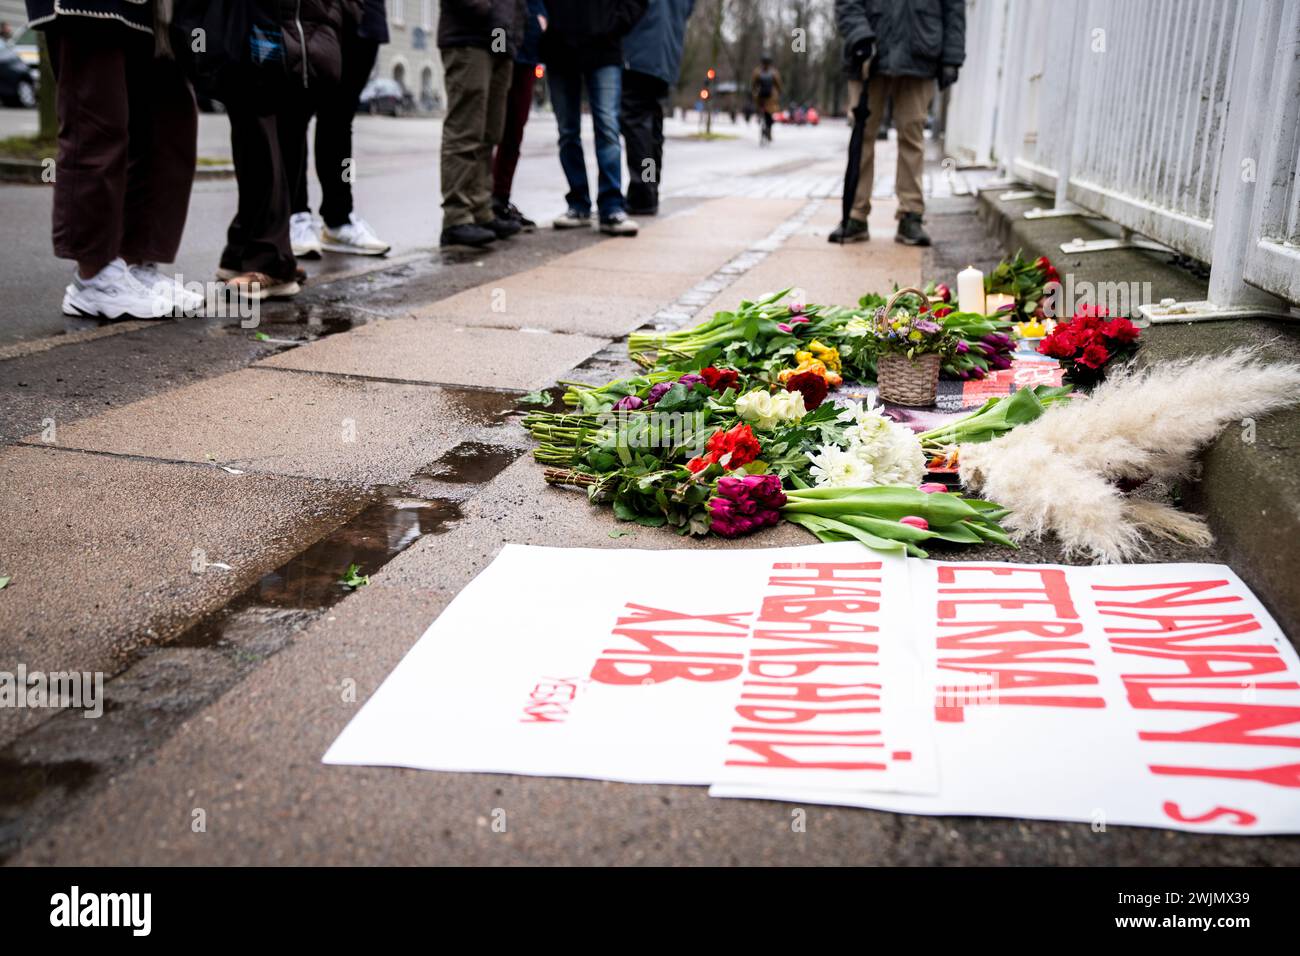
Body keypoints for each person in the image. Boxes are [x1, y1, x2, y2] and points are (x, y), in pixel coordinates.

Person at [26, 0, 201, 318]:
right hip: (89, 8)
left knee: (162, 127)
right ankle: (93, 278)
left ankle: (134, 263)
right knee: (95, 124)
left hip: (153, 12)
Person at [219, 1, 353, 298]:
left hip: (288, 30)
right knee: (253, 132)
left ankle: (272, 260)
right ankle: (246, 249)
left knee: (268, 135)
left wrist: (331, 16)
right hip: (270, 24)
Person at [829, 0, 965, 246]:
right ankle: (855, 215)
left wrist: (951, 55)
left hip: (921, 49)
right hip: (869, 51)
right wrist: (859, 34)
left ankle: (911, 214)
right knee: (862, 133)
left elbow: (954, 5)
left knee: (913, 133)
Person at [290, 0, 393, 258]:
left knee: (339, 120)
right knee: (296, 113)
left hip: (365, 18)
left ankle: (338, 220)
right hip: (317, 13)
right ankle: (295, 216)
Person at [541, 0, 647, 236]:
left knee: (607, 128)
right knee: (568, 132)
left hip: (604, 47)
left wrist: (615, 22)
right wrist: (543, 18)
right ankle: (578, 204)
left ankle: (611, 206)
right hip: (558, 46)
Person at [437, 0, 527, 248]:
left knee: (490, 132)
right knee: (466, 130)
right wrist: (485, 8)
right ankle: (457, 217)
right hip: (469, 35)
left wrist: (514, 31)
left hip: (501, 39)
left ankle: (480, 210)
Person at [619, 0, 695, 217]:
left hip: (641, 50)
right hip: (666, 55)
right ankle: (649, 188)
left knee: (638, 125)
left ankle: (643, 191)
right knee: (651, 127)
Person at [490, 0, 547, 231]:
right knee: (490, 127)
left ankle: (500, 199)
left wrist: (541, 19)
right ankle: (482, 202)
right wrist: (498, 49)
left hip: (528, 52)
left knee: (514, 131)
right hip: (503, 45)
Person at [751, 54, 781, 144]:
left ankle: (759, 117)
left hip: (760, 97)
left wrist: (754, 92)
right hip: (770, 98)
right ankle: (768, 131)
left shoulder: (757, 72)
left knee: (760, 110)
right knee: (770, 115)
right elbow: (778, 85)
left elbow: (753, 84)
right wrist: (779, 93)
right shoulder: (774, 72)